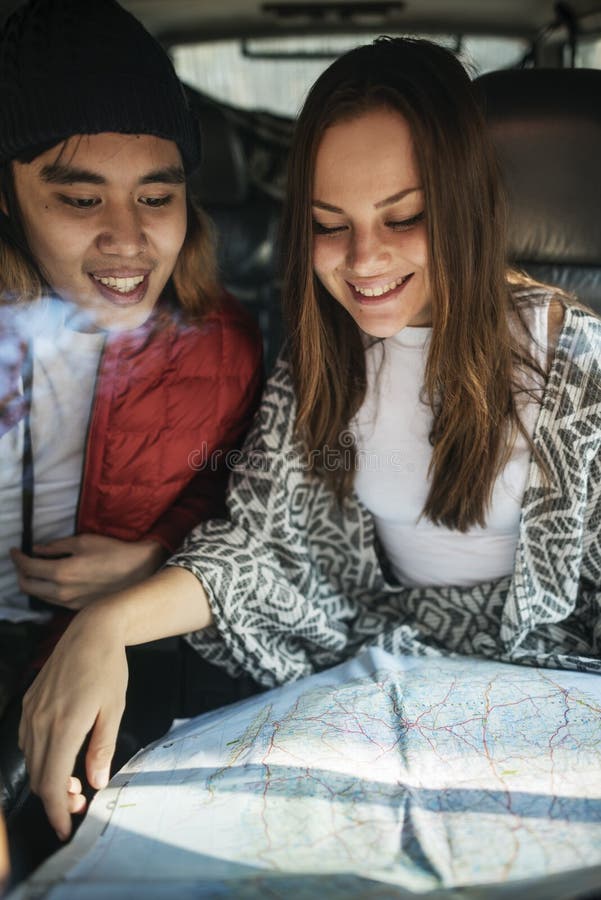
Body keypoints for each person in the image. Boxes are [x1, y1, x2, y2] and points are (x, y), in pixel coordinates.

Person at [19, 36, 601, 842]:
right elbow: (265, 544)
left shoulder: (575, 364)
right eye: (330, 224)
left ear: (468, 203)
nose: (363, 262)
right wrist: (108, 624)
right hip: (363, 685)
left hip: (546, 701)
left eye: (405, 217)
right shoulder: (323, 352)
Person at [0, 0, 262, 818]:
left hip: (126, 647)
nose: (129, 239)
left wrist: (158, 554)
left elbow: (235, 494)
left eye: (156, 197)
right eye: (80, 201)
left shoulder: (221, 343)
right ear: (6, 197)